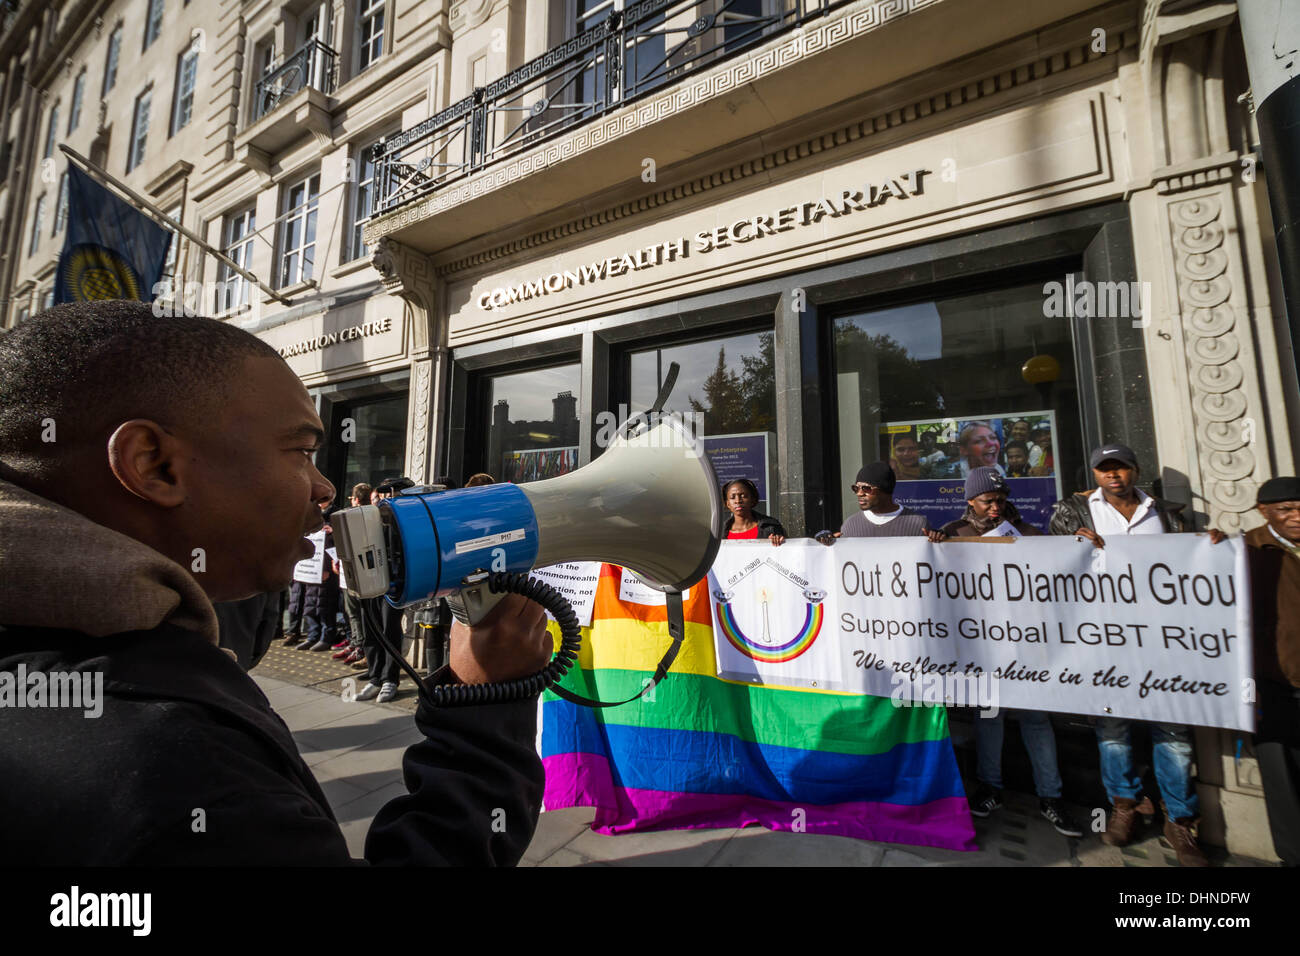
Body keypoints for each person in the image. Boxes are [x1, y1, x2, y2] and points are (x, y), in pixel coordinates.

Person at [0, 301, 552, 865]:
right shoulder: (172, 764)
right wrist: (485, 708)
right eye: (302, 452)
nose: (324, 488)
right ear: (153, 464)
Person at [1048, 442, 1225, 866]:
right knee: (1112, 727)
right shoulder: (1072, 513)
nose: (1113, 476)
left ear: (1135, 470)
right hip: (1104, 638)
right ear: (1093, 475)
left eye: (1121, 468)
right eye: (1104, 469)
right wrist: (1069, 546)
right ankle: (1123, 806)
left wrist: (1212, 547)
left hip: (1164, 638)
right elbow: (1050, 568)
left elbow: (1191, 567)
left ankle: (1180, 820)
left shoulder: (1166, 514)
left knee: (1174, 730)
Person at [937, 469, 1079, 835]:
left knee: (1035, 719)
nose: (996, 507)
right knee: (990, 717)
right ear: (970, 501)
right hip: (982, 645)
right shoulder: (954, 534)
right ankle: (990, 788)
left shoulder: (1028, 534)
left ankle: (1051, 796)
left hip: (1029, 642)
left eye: (1000, 499)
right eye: (987, 501)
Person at [1245, 477, 1300, 866]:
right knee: (1284, 781)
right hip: (1275, 680)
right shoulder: (1244, 550)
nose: (1296, 518)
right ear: (1263, 511)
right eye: (1286, 510)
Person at [356, 476, 415, 703]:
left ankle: (390, 679)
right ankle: (375, 676)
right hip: (372, 579)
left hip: (394, 581)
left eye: (392, 493)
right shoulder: (374, 518)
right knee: (371, 626)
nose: (387, 498)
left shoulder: (405, 518)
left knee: (390, 628)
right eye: (384, 494)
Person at [816, 462, 946, 542]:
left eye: (866, 488)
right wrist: (826, 544)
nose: (859, 493)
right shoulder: (850, 526)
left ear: (885, 490)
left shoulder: (917, 524)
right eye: (856, 488)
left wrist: (939, 541)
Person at [333, 482, 373, 663]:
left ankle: (360, 646)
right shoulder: (368, 515)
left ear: (356, 499)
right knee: (354, 612)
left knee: (357, 612)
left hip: (356, 572)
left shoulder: (357, 516)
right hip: (353, 571)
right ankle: (356, 642)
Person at [722, 478, 785, 544]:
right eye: (732, 497)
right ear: (727, 504)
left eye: (743, 496)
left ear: (752, 500)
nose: (738, 501)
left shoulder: (770, 527)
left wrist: (778, 540)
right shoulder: (719, 532)